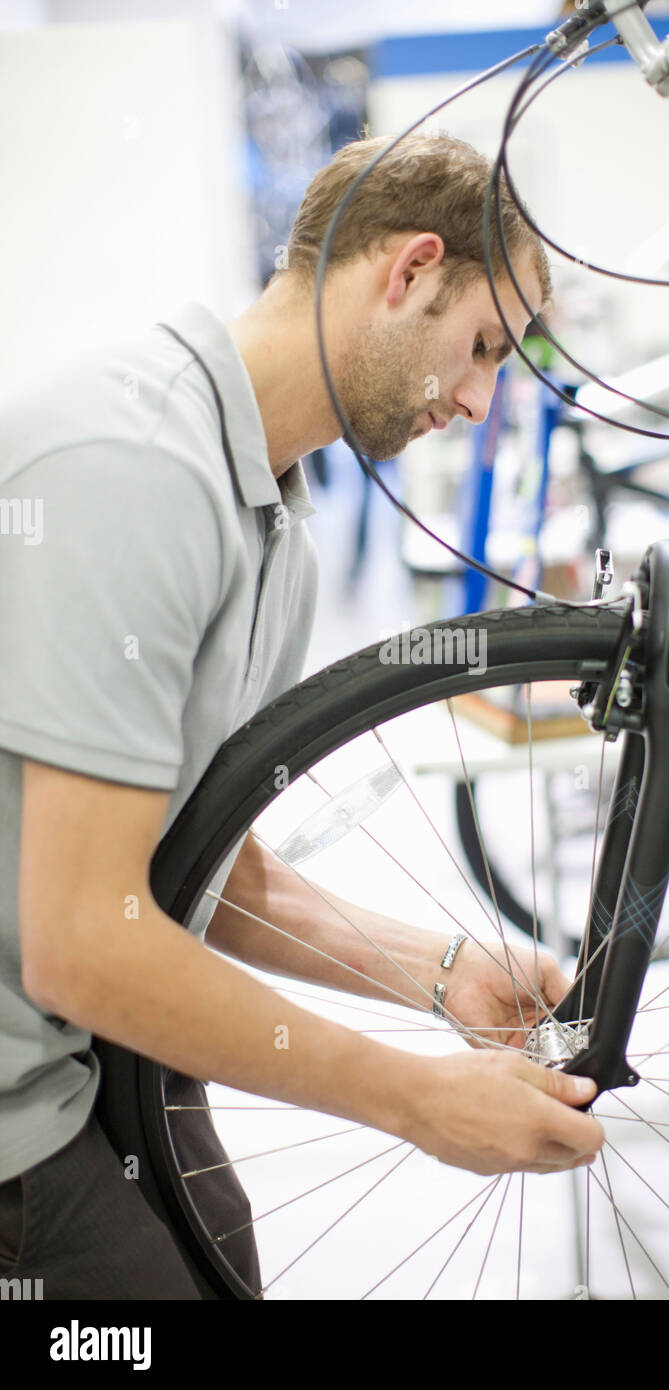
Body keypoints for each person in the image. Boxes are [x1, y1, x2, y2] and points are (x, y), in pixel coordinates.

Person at [0, 132, 604, 1300]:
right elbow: (83, 937)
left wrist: (444, 972)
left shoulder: (274, 515)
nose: (480, 401)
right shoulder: (130, 466)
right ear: (410, 269)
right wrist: (416, 1100)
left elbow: (214, 871)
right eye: (481, 345)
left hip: (90, 1054)